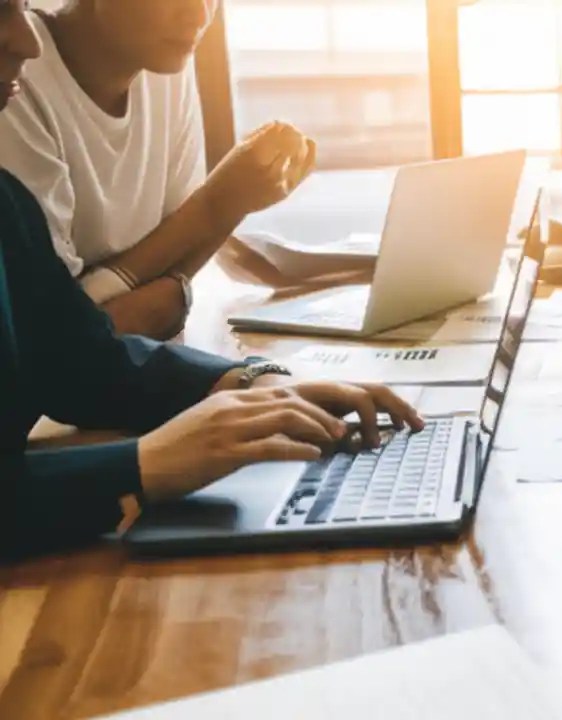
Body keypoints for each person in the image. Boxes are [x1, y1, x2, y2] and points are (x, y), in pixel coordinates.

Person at [0, 1, 422, 560]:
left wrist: (249, 384)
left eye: (21, 10)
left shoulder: (7, 205)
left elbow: (77, 360)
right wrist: (142, 464)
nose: (27, 45)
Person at [0, 0, 316, 340]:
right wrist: (221, 202)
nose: (199, 16)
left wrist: (231, 202)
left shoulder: (164, 62)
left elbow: (172, 279)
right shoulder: (12, 79)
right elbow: (58, 330)